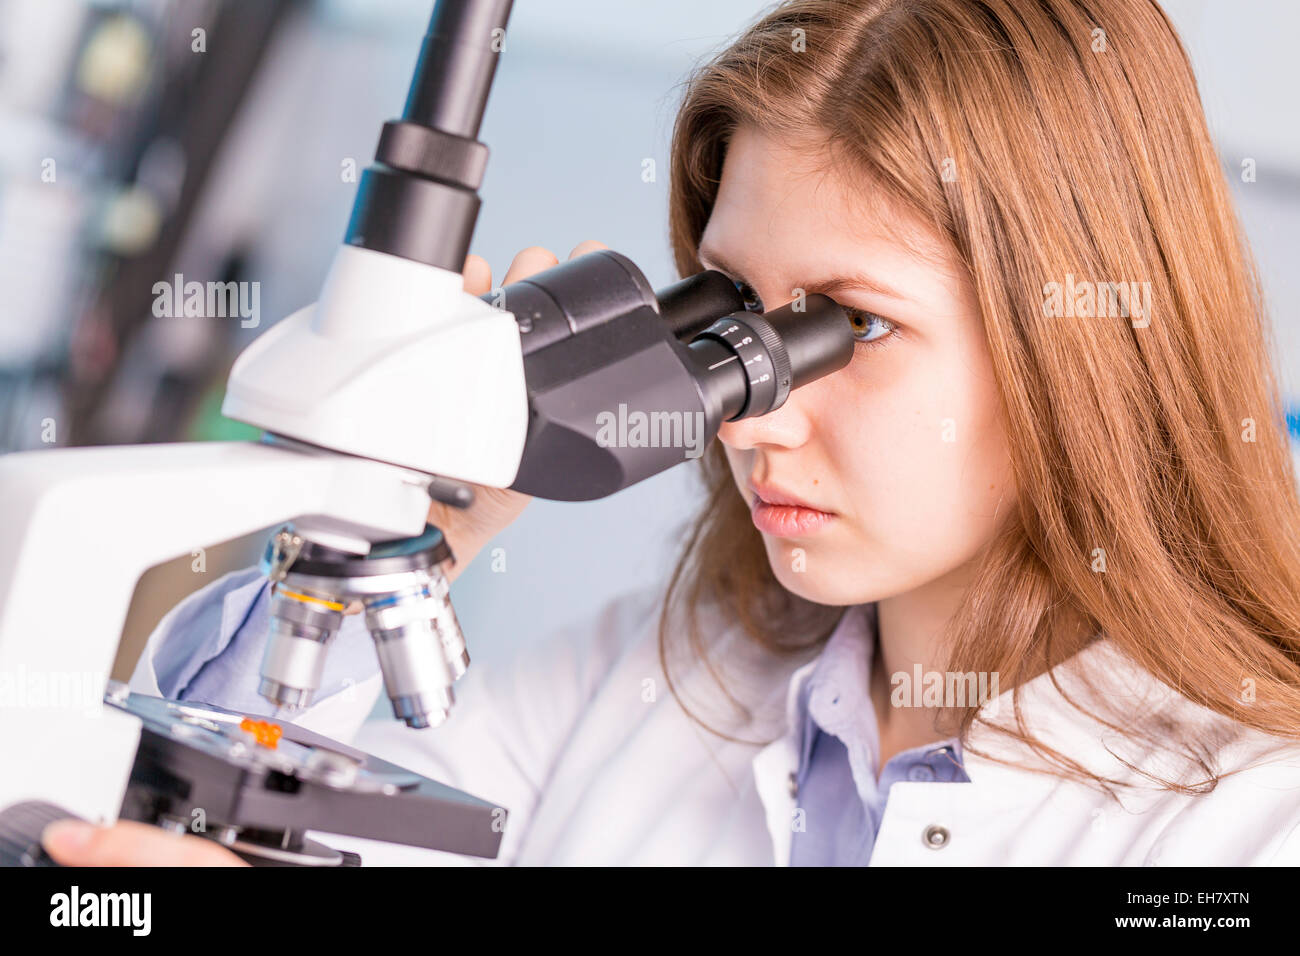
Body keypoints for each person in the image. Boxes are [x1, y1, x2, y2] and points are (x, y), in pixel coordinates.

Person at [44, 0, 1300, 866]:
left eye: (848, 327)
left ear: (1074, 349)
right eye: (732, 315)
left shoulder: (1247, 823)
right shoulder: (655, 676)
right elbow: (222, 785)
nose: (760, 413)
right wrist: (395, 521)